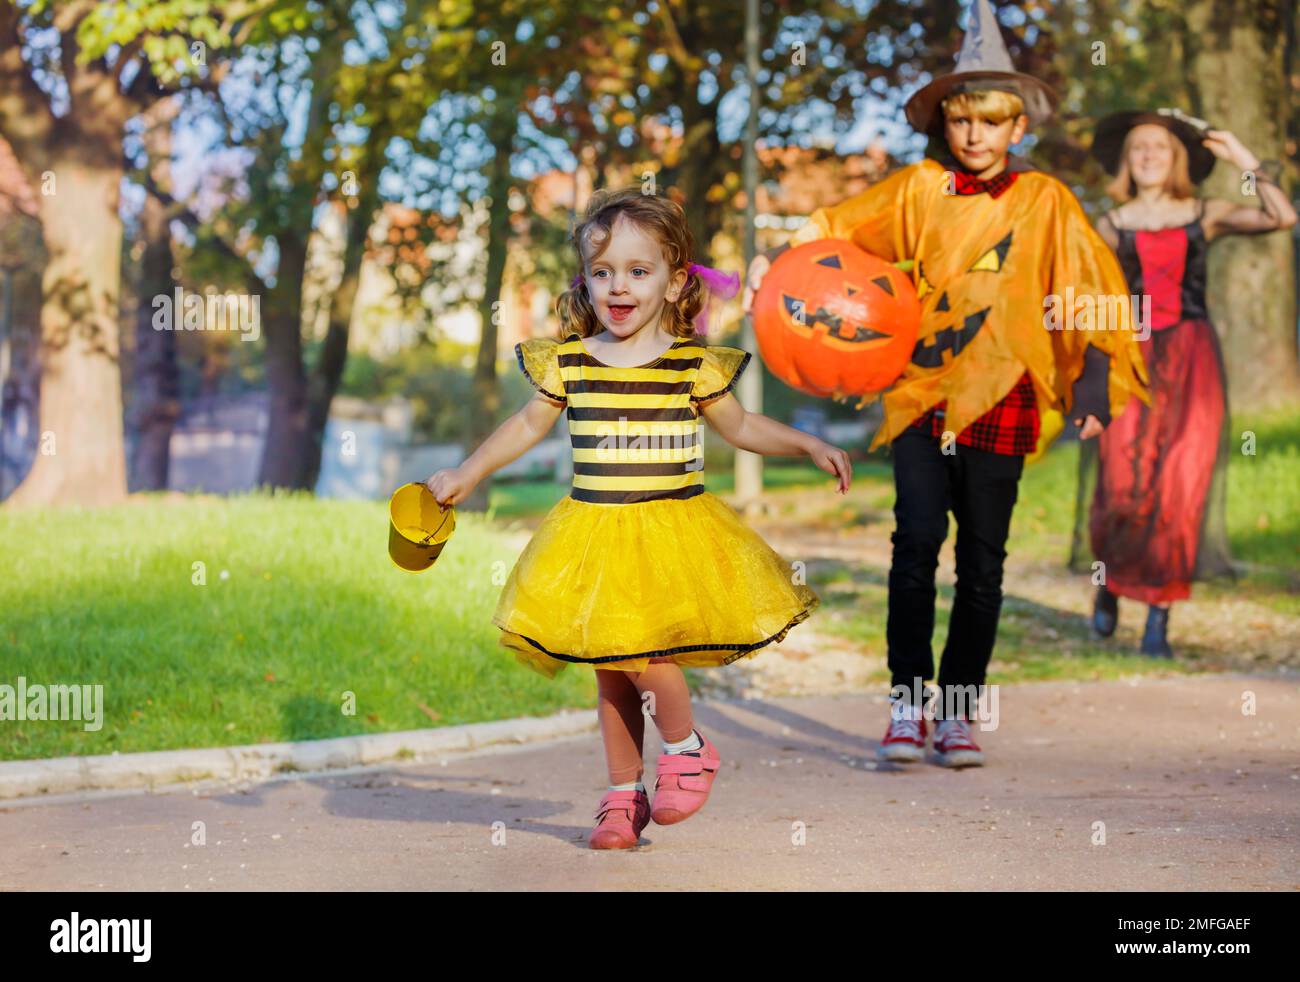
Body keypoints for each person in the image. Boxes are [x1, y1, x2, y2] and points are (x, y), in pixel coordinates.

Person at [744, 0, 1148, 768]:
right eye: (963, 120)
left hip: (1006, 395)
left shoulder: (1047, 202)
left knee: (984, 561)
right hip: (923, 392)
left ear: (1016, 129)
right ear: (947, 123)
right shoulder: (916, 190)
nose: (975, 136)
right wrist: (778, 261)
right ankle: (906, 702)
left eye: (992, 123)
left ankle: (958, 712)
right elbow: (838, 226)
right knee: (916, 543)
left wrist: (1093, 381)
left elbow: (1092, 289)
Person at [426, 188, 851, 849]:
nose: (617, 287)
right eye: (602, 273)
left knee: (641, 654)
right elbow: (522, 427)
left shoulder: (689, 364)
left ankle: (686, 747)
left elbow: (742, 427)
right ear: (586, 280)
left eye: (637, 271)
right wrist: (465, 473)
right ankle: (623, 795)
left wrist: (808, 443)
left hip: (671, 532)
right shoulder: (571, 362)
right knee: (612, 666)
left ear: (675, 279)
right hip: (594, 534)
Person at [1075, 110, 1298, 657]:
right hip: (1129, 356)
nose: (1149, 155)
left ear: (1177, 158)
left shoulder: (1206, 212)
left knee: (1180, 483)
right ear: (1127, 161)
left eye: (1159, 146)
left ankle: (1158, 615)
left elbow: (1282, 216)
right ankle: (1107, 588)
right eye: (1138, 148)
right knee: (1120, 485)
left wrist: (1244, 159)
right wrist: (1088, 391)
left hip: (1192, 359)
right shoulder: (1108, 225)